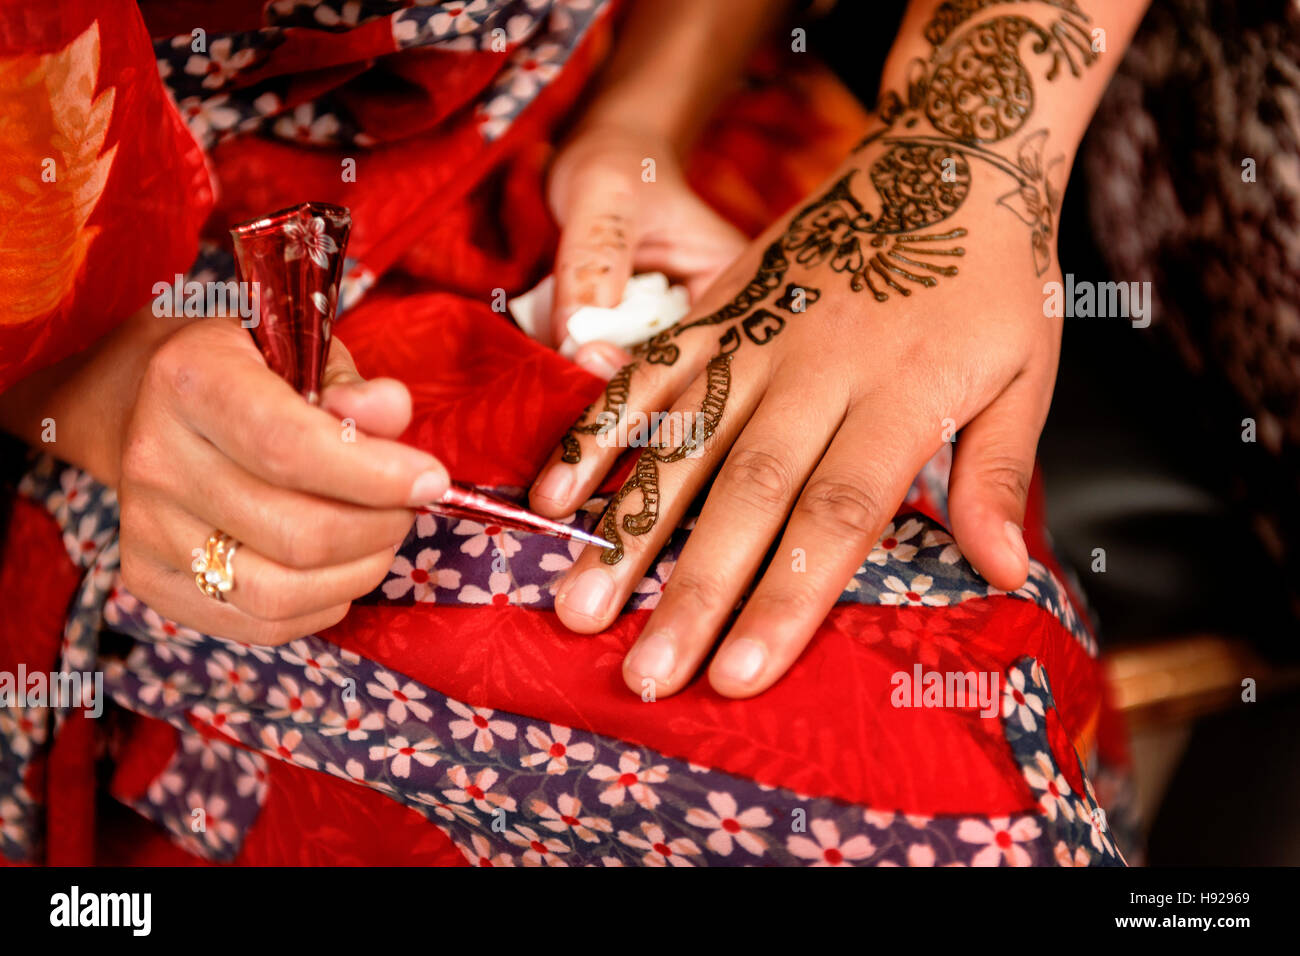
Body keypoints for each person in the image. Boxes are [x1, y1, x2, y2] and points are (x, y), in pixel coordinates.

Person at [0, 0, 1145, 866]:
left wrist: (955, 160)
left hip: (634, 136)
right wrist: (115, 385)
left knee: (971, 613)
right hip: (149, 323)